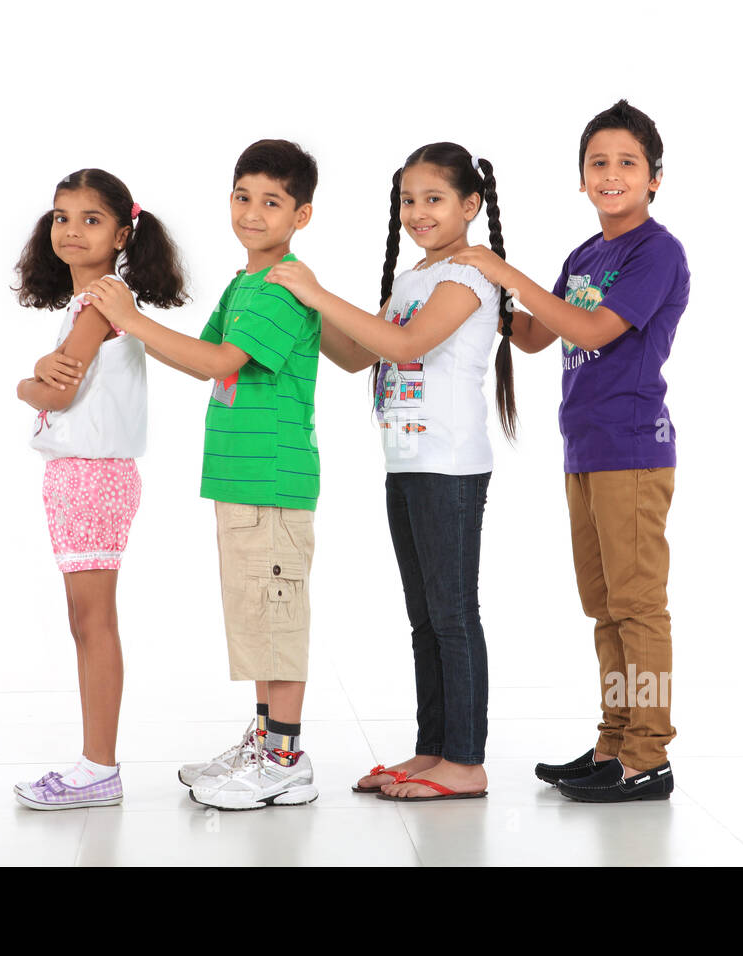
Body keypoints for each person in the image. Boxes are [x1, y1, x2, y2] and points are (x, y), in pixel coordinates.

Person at [66, 140, 323, 811]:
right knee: (255, 621)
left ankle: (286, 760)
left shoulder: (281, 288)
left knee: (277, 617)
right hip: (239, 479)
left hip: (271, 478)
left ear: (302, 215)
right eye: (243, 197)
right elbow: (210, 358)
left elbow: (218, 364)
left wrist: (132, 318)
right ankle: (266, 741)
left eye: (272, 202)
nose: (253, 212)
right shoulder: (245, 285)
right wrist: (136, 333)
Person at [453, 99, 690, 802]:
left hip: (632, 450)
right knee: (605, 606)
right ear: (581, 178)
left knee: (638, 606)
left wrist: (506, 270)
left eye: (627, 163)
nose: (611, 174)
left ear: (654, 178)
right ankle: (614, 742)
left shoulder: (656, 251)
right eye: (598, 163)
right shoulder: (586, 254)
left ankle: (648, 756)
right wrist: (492, 297)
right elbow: (536, 334)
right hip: (583, 452)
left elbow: (591, 330)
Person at [267, 142, 516, 801]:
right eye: (408, 200)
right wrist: (301, 305)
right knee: (425, 616)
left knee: (454, 613)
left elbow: (407, 344)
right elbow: (359, 355)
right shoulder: (413, 280)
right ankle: (434, 749)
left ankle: (466, 762)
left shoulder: (468, 278)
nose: (417, 212)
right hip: (404, 463)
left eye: (433, 199)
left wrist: (318, 291)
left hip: (449, 465)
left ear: (470, 205)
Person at [12, 169, 187, 810]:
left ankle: (98, 768)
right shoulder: (89, 303)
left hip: (91, 475)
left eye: (90, 219)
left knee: (93, 623)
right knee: (85, 622)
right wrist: (42, 379)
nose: (71, 230)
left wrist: (25, 384)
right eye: (62, 216)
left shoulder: (99, 303)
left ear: (122, 233)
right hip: (81, 474)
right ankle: (95, 764)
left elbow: (58, 392)